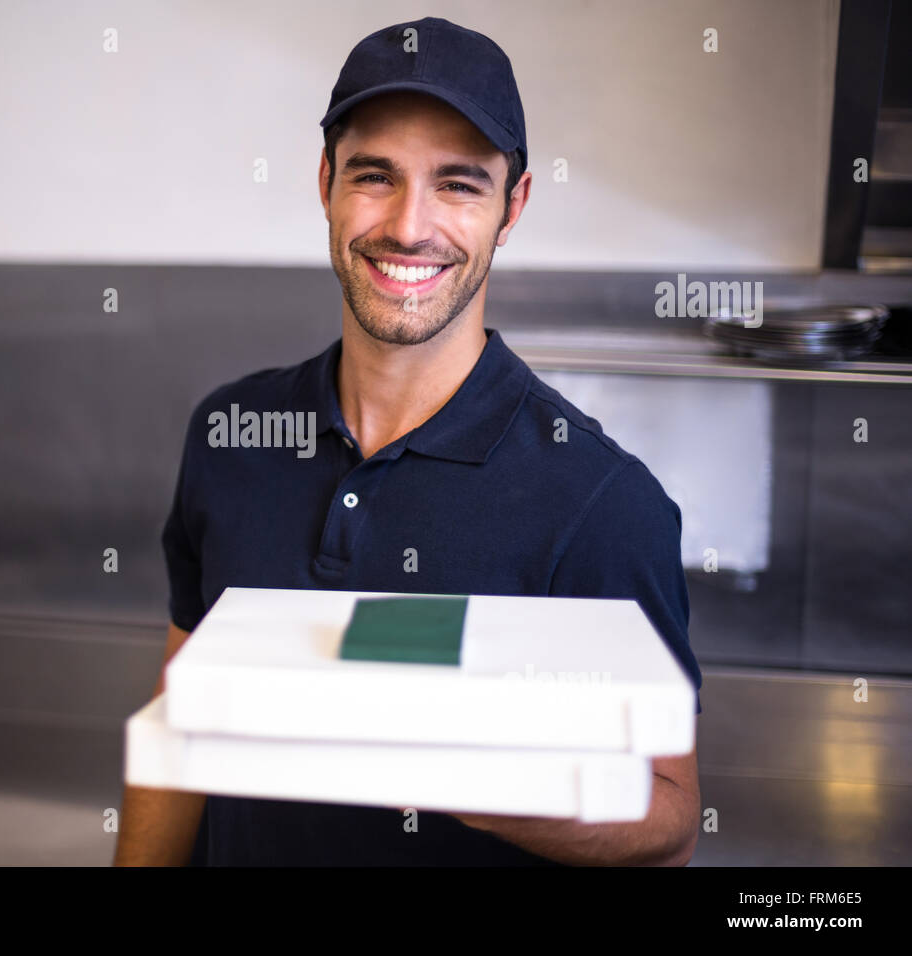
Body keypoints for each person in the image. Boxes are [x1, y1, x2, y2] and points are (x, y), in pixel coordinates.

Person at [114, 15, 702, 866]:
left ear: (514, 206)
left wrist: (477, 775)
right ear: (325, 182)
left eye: (459, 185)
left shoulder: (602, 500)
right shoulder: (229, 436)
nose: (408, 225)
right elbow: (182, 717)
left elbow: (672, 820)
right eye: (375, 175)